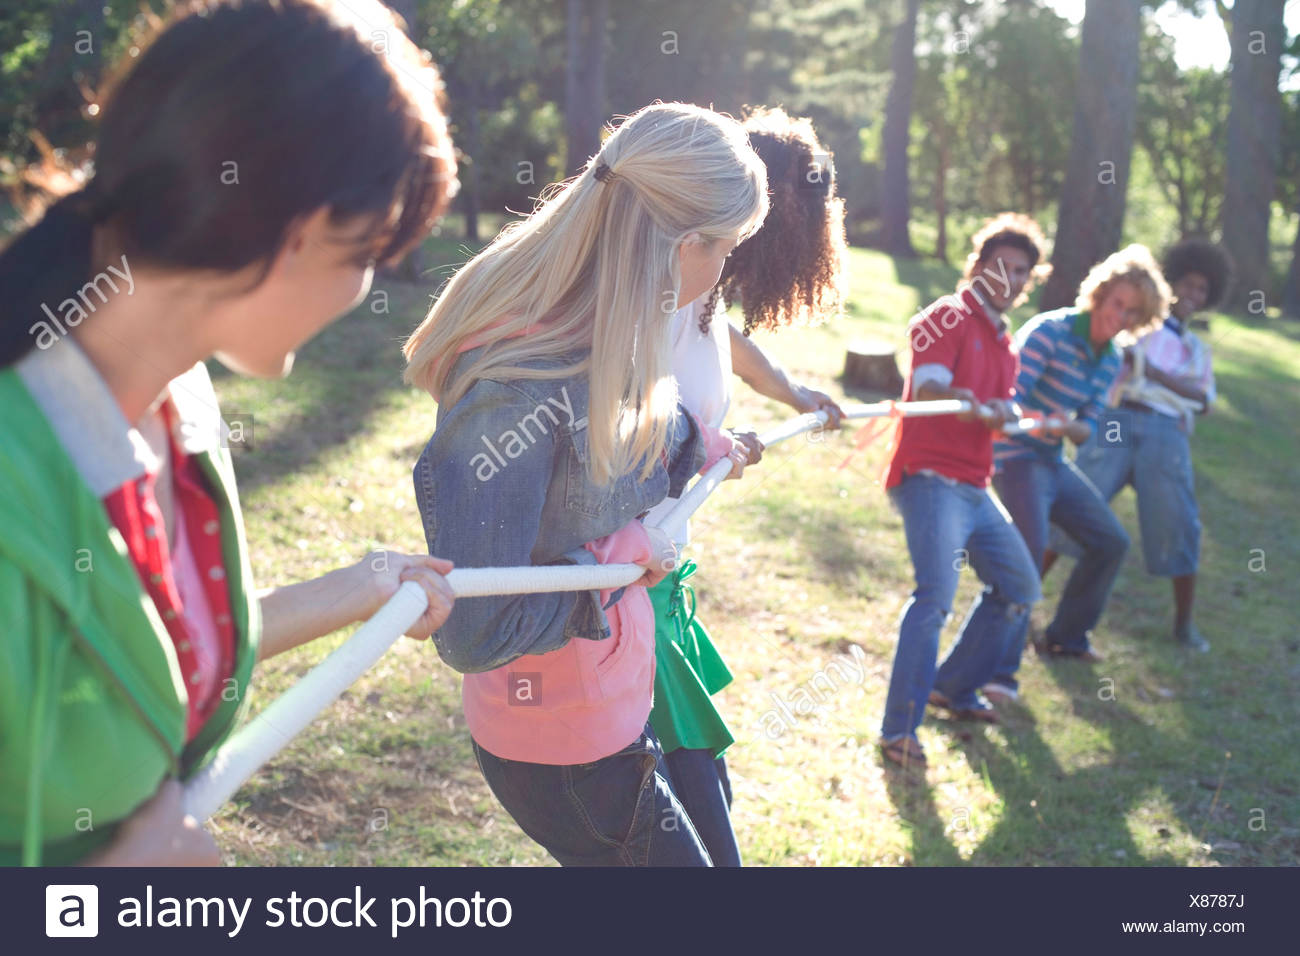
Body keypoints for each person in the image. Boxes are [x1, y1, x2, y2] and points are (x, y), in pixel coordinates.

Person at [0, 0, 459, 866]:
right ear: (300, 233)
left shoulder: (183, 402)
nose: (364, 291)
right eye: (368, 255)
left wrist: (358, 590)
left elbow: (136, 656)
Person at [404, 102, 768, 866]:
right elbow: (478, 628)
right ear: (681, 243)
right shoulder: (522, 385)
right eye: (727, 248)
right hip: (560, 745)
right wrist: (620, 564)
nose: (724, 272)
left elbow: (626, 447)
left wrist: (703, 445)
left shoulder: (604, 335)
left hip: (607, 709)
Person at [642, 107, 847, 866]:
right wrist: (709, 446)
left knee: (695, 788)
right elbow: (629, 427)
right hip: (623, 572)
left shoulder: (704, 290)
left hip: (662, 570)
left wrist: (797, 397)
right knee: (692, 809)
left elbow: (734, 348)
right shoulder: (663, 280)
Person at [878, 213, 1047, 771]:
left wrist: (1004, 411)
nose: (1013, 278)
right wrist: (975, 401)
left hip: (975, 486)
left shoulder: (1004, 340)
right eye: (1002, 266)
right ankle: (899, 730)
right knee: (934, 600)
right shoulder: (948, 315)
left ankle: (951, 687)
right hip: (930, 478)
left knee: (1020, 585)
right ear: (978, 266)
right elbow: (928, 381)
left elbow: (998, 413)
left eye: (1023, 270)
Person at [985, 245, 1171, 702]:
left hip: (1051, 459)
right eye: (1117, 305)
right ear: (1100, 295)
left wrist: (1073, 427)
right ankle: (999, 672)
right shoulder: (1051, 331)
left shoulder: (1110, 356)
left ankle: (1066, 637)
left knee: (1111, 541)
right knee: (1025, 556)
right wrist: (1042, 420)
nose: (1122, 317)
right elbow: (1007, 398)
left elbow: (1090, 424)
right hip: (1014, 456)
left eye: (1133, 313)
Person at [1041, 239, 1230, 654]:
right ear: (1171, 283)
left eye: (1202, 290)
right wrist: (1168, 384)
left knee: (1178, 523)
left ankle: (1184, 623)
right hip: (1117, 421)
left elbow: (1203, 400)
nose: (1191, 296)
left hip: (1166, 433)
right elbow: (1119, 363)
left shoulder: (1198, 350)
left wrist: (1154, 375)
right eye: (1186, 285)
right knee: (1073, 509)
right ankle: (1021, 596)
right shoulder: (1138, 323)